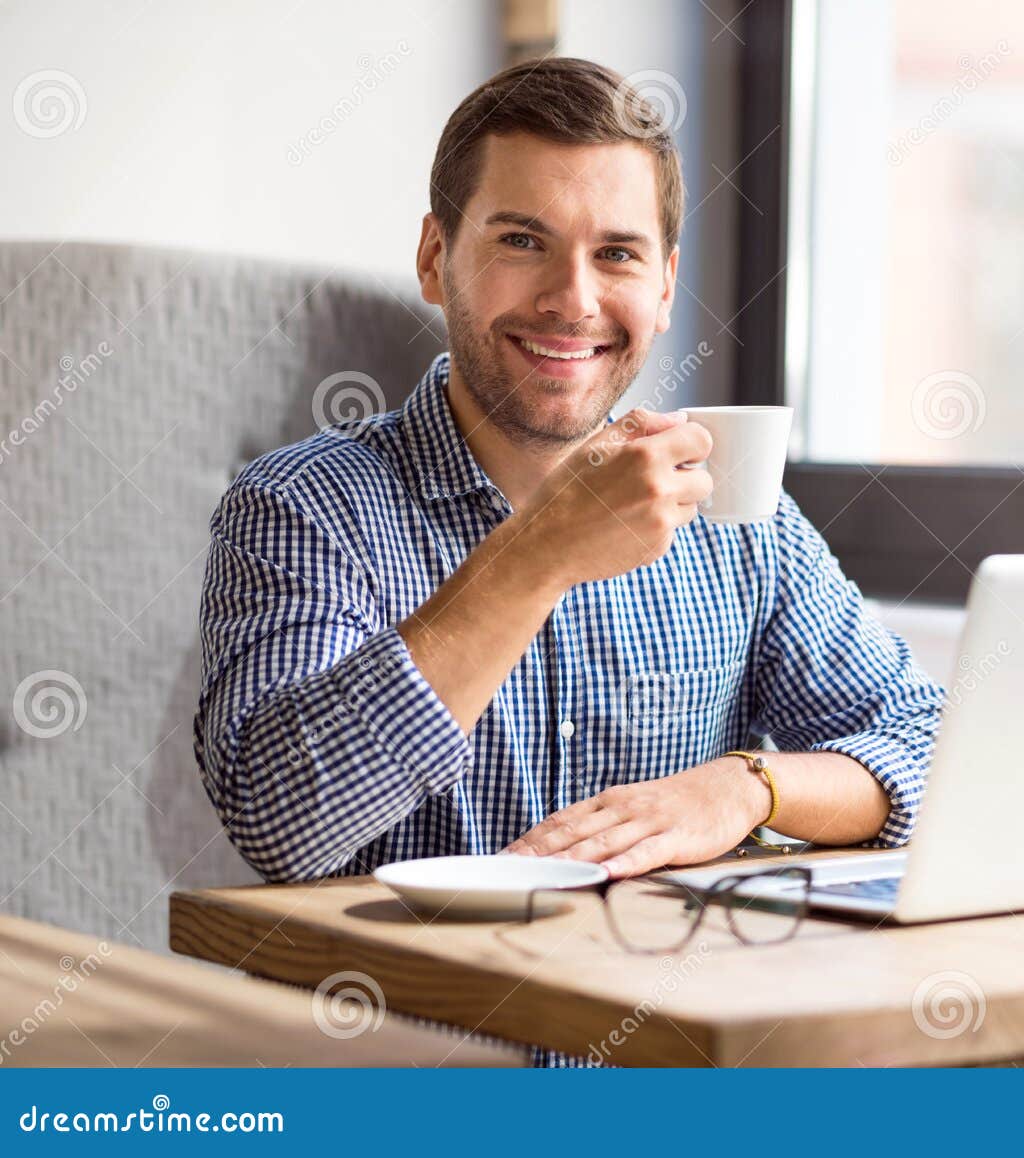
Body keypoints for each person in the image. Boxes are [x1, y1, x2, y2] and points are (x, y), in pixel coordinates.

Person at [193, 57, 943, 903]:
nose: (573, 300)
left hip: (666, 1027)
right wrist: (539, 552)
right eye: (522, 242)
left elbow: (934, 743)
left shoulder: (738, 518)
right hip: (418, 1029)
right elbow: (282, 820)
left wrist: (743, 787)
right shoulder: (299, 507)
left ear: (663, 287)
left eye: (617, 254)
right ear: (436, 258)